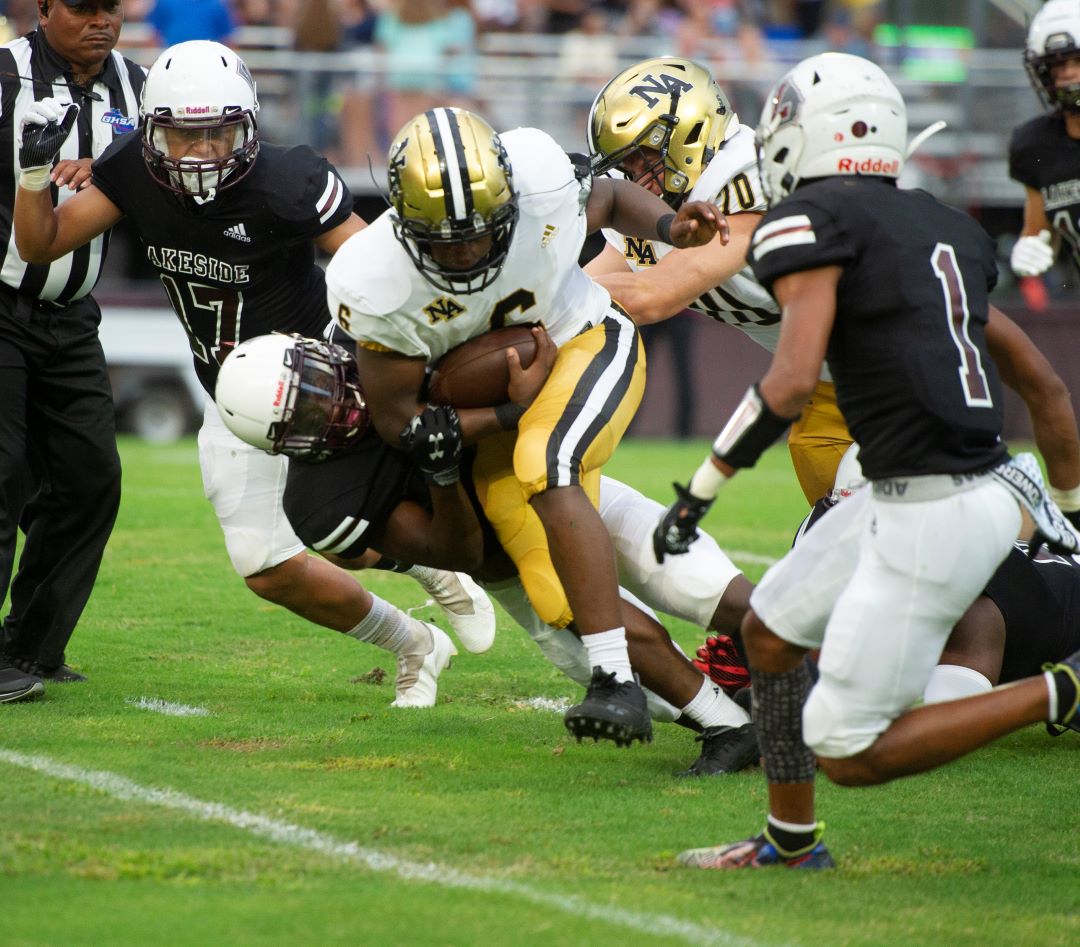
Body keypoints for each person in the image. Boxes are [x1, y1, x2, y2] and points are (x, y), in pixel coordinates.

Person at [653, 52, 1080, 870]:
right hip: (943, 486)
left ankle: (1063, 688)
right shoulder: (941, 223)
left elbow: (787, 383)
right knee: (771, 630)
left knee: (849, 750)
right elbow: (1036, 377)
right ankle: (789, 841)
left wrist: (698, 495)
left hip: (930, 506)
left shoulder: (810, 222)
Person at [12, 40, 496, 709]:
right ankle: (414, 640)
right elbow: (40, 245)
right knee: (266, 569)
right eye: (184, 134)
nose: (202, 152)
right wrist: (33, 174)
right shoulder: (129, 173)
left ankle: (436, 569)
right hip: (230, 394)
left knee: (341, 526)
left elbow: (375, 271)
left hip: (316, 382)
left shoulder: (285, 179)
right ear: (153, 132)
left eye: (218, 133)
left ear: (249, 126)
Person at [325, 105, 723, 747]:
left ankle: (620, 677)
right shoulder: (371, 280)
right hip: (499, 418)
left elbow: (615, 196)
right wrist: (507, 410)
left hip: (584, 339)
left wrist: (673, 226)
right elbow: (403, 419)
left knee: (549, 463)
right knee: (553, 593)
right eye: (445, 240)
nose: (467, 252)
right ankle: (730, 720)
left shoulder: (540, 182)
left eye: (482, 232)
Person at [214, 330, 761, 775]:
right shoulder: (324, 504)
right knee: (633, 673)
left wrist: (510, 400)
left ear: (318, 351)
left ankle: (818, 660)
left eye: (315, 384)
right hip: (502, 560)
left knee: (701, 582)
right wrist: (442, 473)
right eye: (308, 417)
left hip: (553, 486)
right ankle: (736, 725)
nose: (329, 406)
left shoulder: (381, 344)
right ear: (285, 447)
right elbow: (461, 551)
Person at [585, 56, 851, 503]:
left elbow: (651, 297)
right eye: (624, 163)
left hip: (894, 363)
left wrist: (535, 294)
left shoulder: (748, 174)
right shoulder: (660, 205)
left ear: (692, 131)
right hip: (824, 389)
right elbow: (593, 285)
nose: (632, 175)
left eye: (642, 156)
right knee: (838, 547)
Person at [0, 0, 146, 703]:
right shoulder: (4, 77)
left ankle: (31, 646)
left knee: (91, 478)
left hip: (71, 315)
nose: (101, 21)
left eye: (110, 7)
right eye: (83, 7)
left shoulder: (140, 88)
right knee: (1, 474)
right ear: (45, 8)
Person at [1009, 0, 1080, 283]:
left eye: (1078, 61)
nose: (1067, 74)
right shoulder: (1036, 143)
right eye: (1058, 64)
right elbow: (1041, 232)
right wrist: (1031, 248)